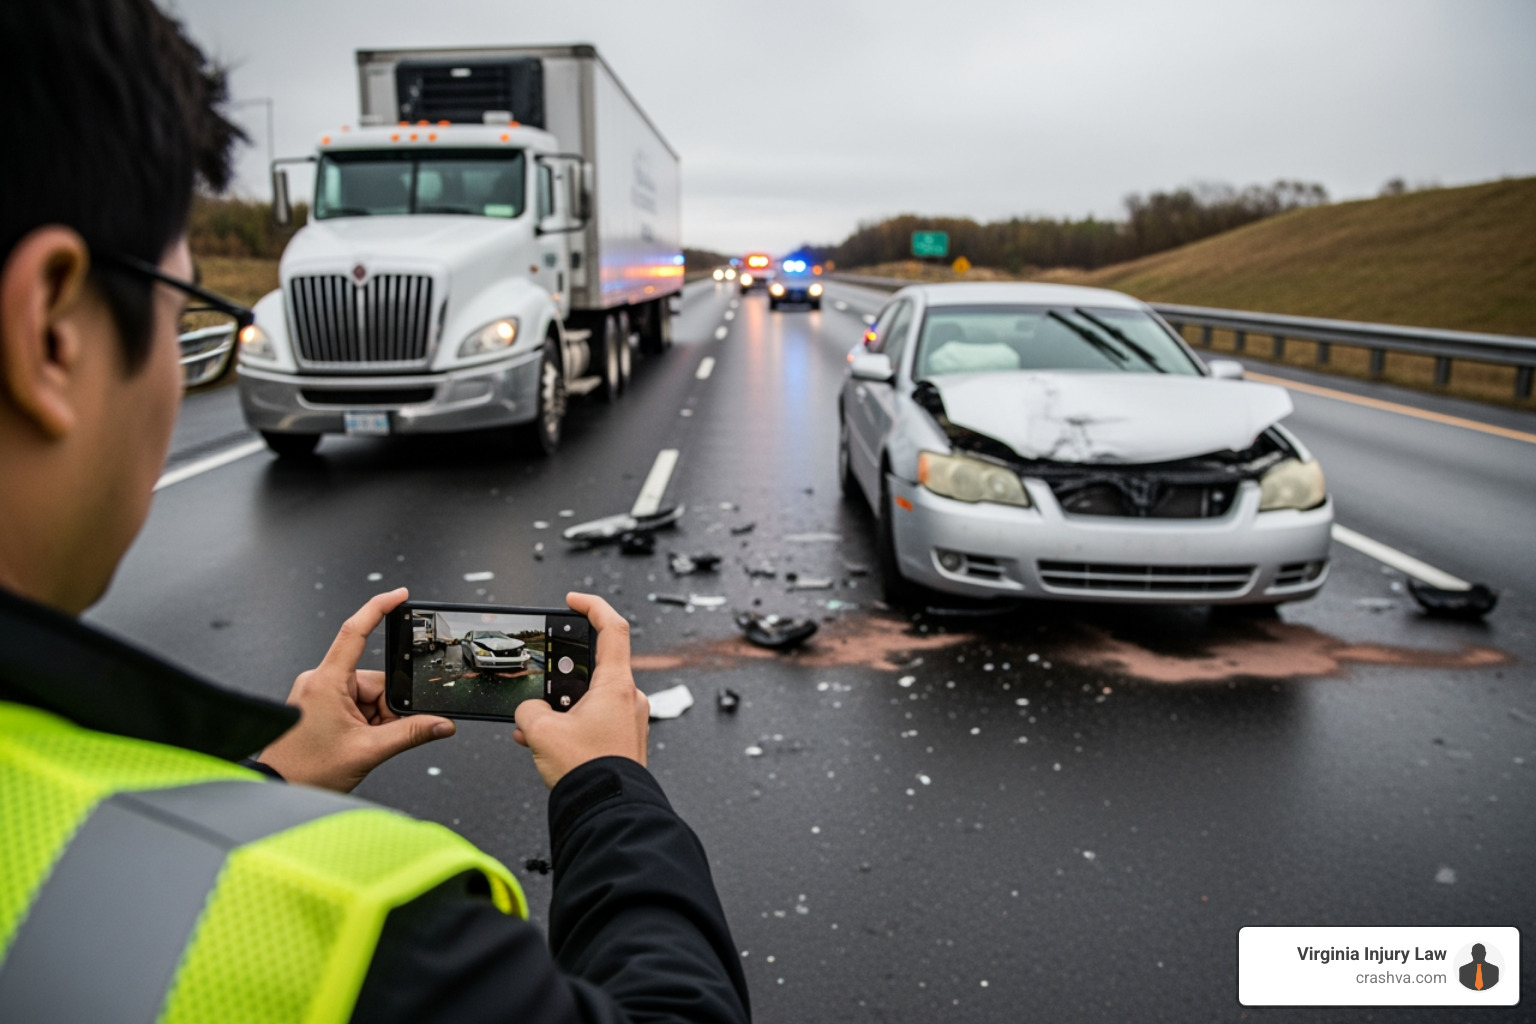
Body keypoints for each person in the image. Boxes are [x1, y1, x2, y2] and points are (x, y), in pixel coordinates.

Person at [0, 2, 751, 1022]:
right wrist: (609, 786)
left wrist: (258, 777)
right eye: (185, 316)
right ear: (51, 331)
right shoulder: (351, 926)